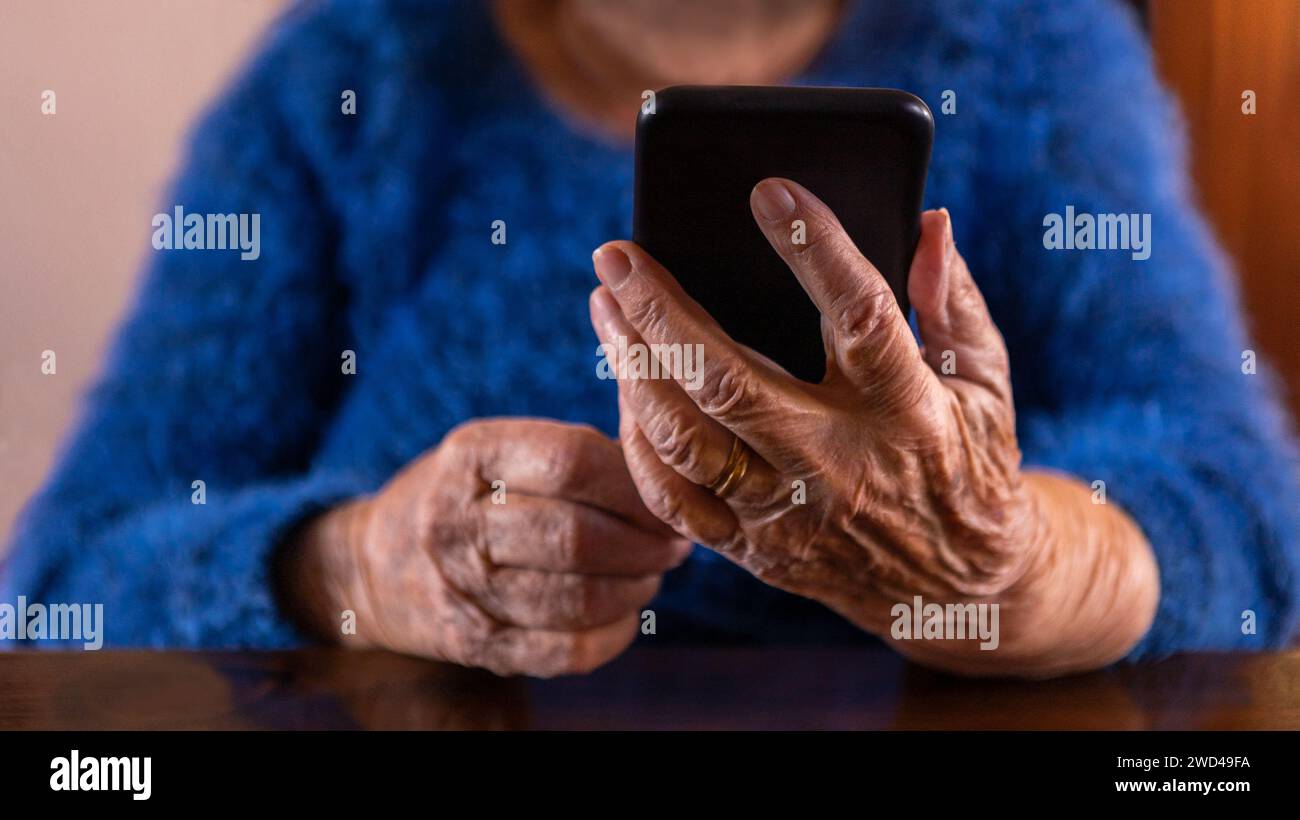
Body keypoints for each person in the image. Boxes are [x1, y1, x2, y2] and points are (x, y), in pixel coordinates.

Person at [4, 0, 1298, 678]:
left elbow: (1250, 529)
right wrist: (364, 567)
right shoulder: (348, 72)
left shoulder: (1038, 50)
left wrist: (1002, 569)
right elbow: (55, 596)